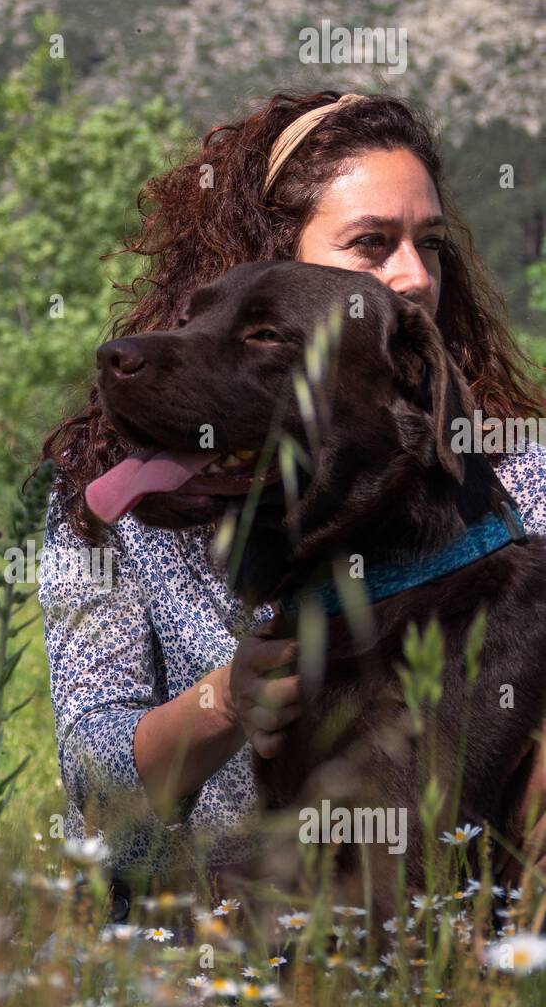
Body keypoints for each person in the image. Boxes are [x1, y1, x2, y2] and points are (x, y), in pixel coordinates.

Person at [34, 89, 546, 921]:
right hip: (194, 930)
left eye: (430, 244)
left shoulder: (512, 473)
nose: (415, 276)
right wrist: (223, 703)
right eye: (371, 243)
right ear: (270, 259)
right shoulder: (106, 503)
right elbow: (95, 789)